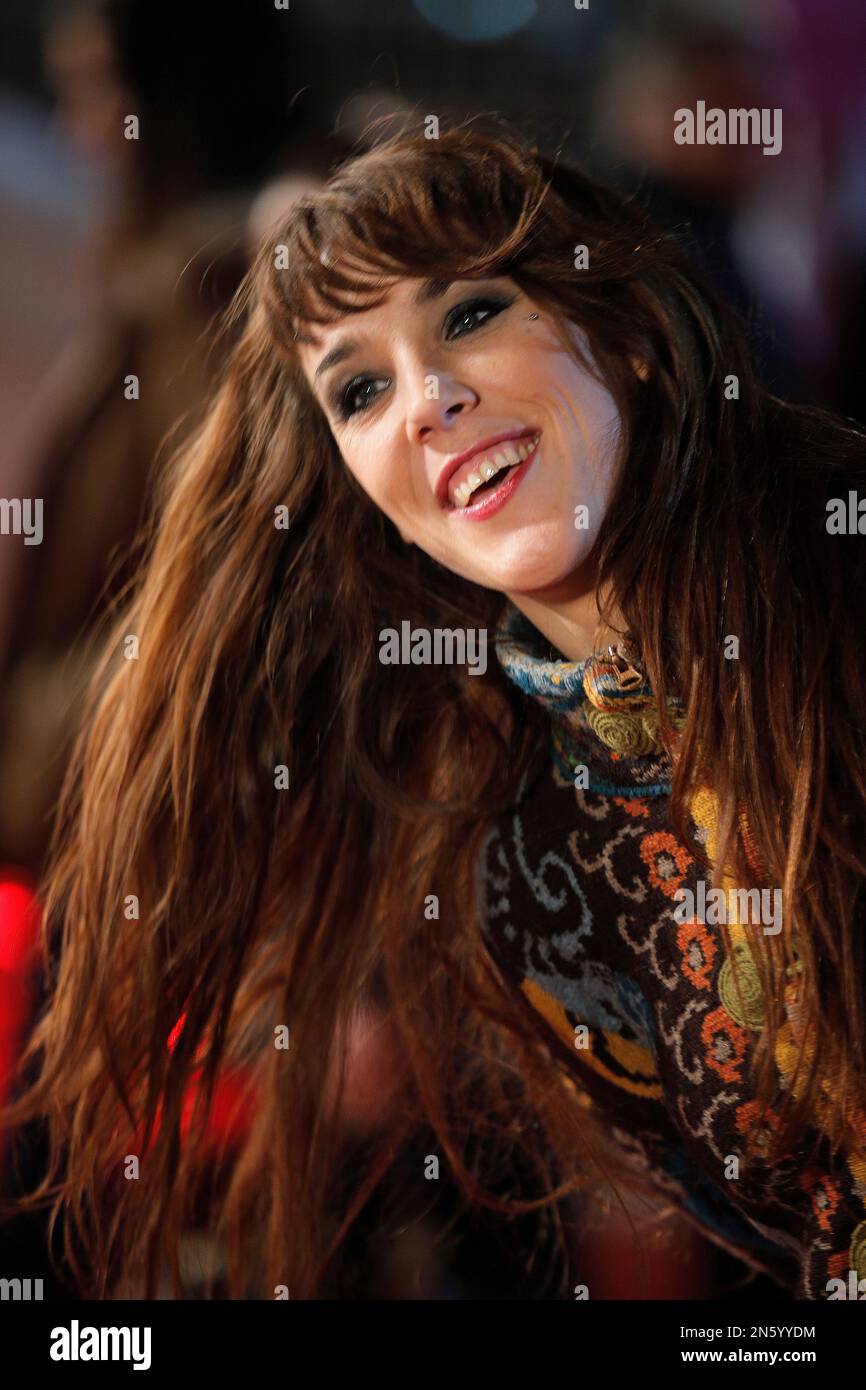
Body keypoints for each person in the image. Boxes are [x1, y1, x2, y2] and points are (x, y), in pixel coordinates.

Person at [3, 120, 866, 1301]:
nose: (426, 400)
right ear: (365, 498)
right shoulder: (514, 875)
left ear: (628, 339)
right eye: (358, 388)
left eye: (466, 316)